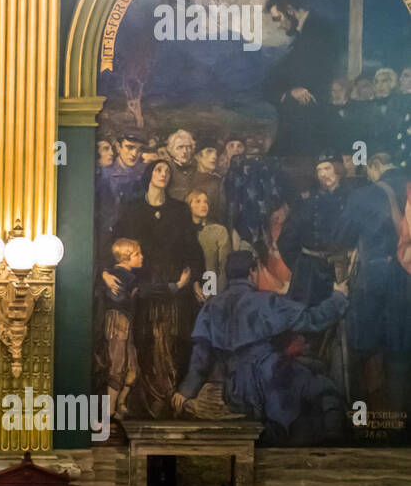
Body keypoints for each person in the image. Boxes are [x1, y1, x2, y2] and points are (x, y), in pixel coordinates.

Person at [175, 250, 346, 445]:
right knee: (325, 388)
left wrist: (187, 390)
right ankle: (336, 445)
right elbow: (311, 320)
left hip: (235, 390)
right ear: (252, 271)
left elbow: (201, 356)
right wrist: (339, 297)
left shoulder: (210, 307)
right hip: (271, 375)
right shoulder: (265, 301)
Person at [110, 159, 206, 413]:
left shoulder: (179, 210)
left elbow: (193, 249)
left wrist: (196, 279)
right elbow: (115, 244)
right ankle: (150, 398)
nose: (163, 174)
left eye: (167, 171)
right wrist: (107, 274)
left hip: (177, 283)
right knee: (147, 339)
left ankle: (170, 395)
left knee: (174, 338)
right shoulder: (132, 209)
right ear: (149, 175)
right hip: (145, 284)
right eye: (158, 170)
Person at [333, 152, 411, 413]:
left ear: (375, 166)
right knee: (402, 349)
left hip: (376, 279)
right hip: (407, 280)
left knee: (364, 346)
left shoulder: (365, 195)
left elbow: (341, 235)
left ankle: (363, 418)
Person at [99, 237, 191, 419]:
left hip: (125, 322)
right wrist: (178, 285)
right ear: (125, 258)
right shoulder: (123, 276)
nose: (141, 257)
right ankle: (109, 411)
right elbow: (147, 291)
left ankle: (119, 405)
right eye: (137, 254)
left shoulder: (122, 275)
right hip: (118, 323)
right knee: (118, 366)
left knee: (132, 368)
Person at [265, 0, 343, 157]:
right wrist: (291, 90)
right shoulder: (305, 34)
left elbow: (320, 73)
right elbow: (278, 76)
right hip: (305, 116)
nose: (279, 25)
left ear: (289, 10)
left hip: (315, 117)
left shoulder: (319, 30)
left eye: (278, 18)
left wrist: (294, 90)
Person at [278, 154, 349, 306]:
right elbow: (286, 240)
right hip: (310, 273)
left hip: (342, 270)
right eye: (319, 170)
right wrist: (301, 267)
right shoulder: (306, 202)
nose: (323, 174)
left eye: (327, 168)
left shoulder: (351, 198)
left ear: (339, 169)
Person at [189, 189, 231, 292]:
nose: (203, 205)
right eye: (198, 201)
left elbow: (223, 267)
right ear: (188, 205)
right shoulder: (182, 232)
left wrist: (211, 292)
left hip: (211, 290)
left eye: (206, 202)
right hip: (187, 291)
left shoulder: (218, 231)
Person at [164, 129, 198, 201]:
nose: (185, 151)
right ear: (171, 149)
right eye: (180, 147)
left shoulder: (198, 168)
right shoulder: (166, 169)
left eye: (188, 147)